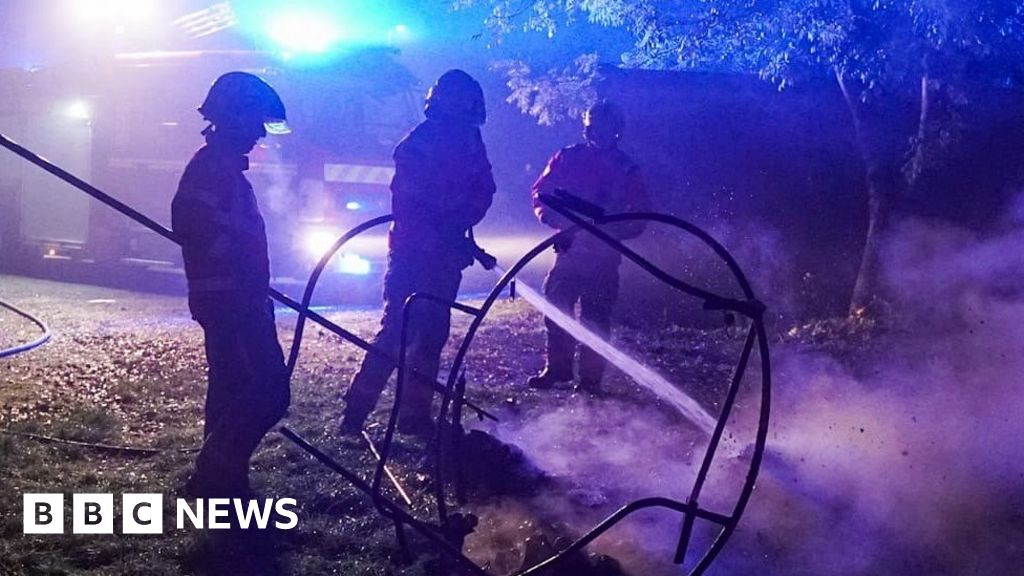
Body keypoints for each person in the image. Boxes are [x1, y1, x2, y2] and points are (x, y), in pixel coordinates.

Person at [341, 69, 496, 437]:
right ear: (442, 102)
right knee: (397, 332)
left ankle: (414, 416)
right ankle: (355, 413)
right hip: (413, 254)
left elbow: (484, 186)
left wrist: (461, 219)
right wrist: (443, 229)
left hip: (445, 257)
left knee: (431, 336)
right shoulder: (417, 145)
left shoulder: (471, 140)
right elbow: (410, 204)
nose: (462, 110)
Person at [171, 71, 291, 497]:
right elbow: (189, 223)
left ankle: (223, 483)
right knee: (270, 390)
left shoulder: (225, 171)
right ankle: (211, 473)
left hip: (239, 297)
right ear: (234, 118)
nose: (260, 133)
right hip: (230, 300)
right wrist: (238, 269)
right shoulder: (210, 170)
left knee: (232, 389)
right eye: (255, 121)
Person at [527, 100, 651, 393]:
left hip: (604, 256)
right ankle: (557, 369)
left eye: (607, 128)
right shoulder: (567, 158)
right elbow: (541, 194)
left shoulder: (626, 169)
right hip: (569, 251)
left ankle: (591, 380)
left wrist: (614, 231)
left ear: (617, 131)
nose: (601, 133)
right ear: (588, 128)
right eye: (596, 127)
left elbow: (642, 213)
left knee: (596, 316)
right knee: (557, 307)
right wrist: (556, 222)